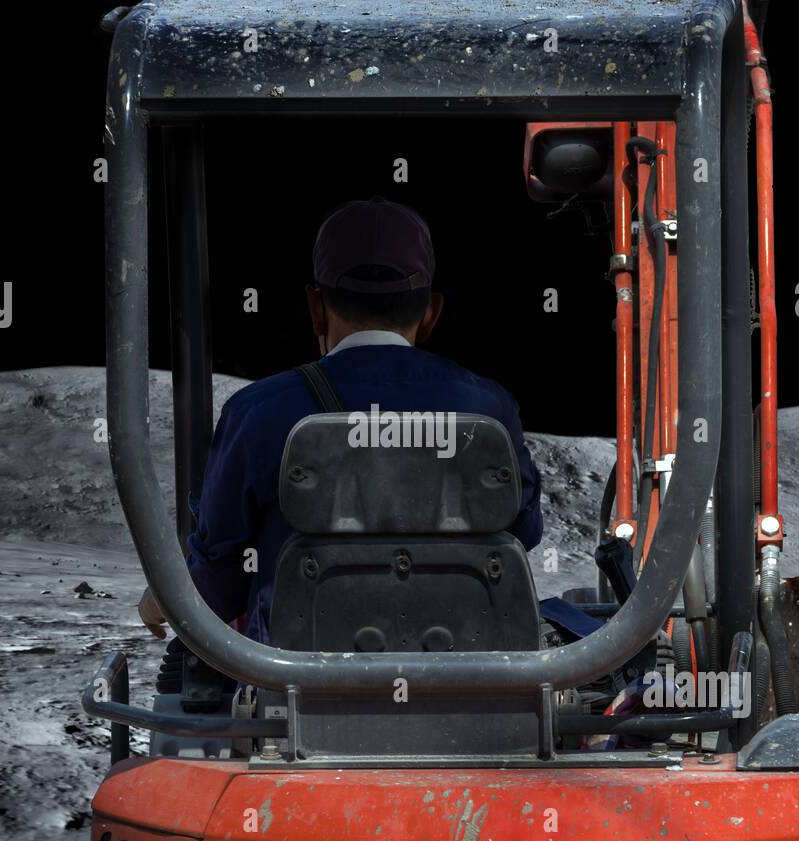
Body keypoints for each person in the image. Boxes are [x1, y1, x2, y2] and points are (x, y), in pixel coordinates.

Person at [139, 196, 542, 645]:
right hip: (462, 679)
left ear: (315, 307)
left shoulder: (256, 414)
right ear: (431, 313)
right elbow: (521, 535)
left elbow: (218, 586)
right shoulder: (489, 409)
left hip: (293, 693)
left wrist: (163, 597)